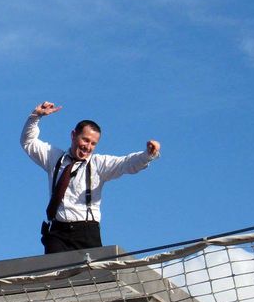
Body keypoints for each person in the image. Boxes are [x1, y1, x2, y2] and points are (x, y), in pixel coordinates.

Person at [20, 101, 161, 253]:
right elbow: (28, 142)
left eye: (93, 143)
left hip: (86, 233)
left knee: (91, 276)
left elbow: (126, 164)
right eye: (85, 140)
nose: (88, 147)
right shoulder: (54, 158)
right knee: (54, 273)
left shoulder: (99, 164)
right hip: (57, 233)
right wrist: (35, 116)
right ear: (73, 135)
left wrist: (148, 155)